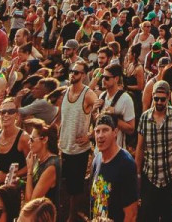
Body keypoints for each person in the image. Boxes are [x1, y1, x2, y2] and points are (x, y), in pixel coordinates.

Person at [135, 80, 172, 222]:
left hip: (171, 176)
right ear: (152, 96)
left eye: (163, 99)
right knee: (148, 216)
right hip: (150, 177)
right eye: (156, 99)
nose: (159, 102)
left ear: (168, 97)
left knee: (169, 216)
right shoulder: (145, 117)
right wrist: (137, 173)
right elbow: (140, 147)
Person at [58, 60, 99, 222]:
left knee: (76, 188)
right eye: (71, 71)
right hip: (65, 147)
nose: (72, 74)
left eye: (76, 72)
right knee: (66, 185)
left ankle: (72, 216)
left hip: (79, 150)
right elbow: (62, 118)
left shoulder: (88, 94)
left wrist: (89, 136)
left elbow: (100, 117)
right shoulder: (66, 92)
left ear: (83, 75)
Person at [89, 114, 139, 222]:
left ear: (115, 132)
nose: (100, 136)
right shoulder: (96, 160)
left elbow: (131, 215)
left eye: (105, 130)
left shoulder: (126, 164)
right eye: (97, 131)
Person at [0, 97, 30, 190]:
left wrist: (7, 176)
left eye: (10, 111)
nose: (6, 114)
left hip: (12, 189)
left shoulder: (23, 138)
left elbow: (31, 166)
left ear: (17, 115)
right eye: (3, 112)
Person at [23, 118, 62, 215]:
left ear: (44, 140)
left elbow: (31, 203)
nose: (29, 143)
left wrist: (29, 170)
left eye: (32, 139)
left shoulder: (51, 166)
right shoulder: (39, 159)